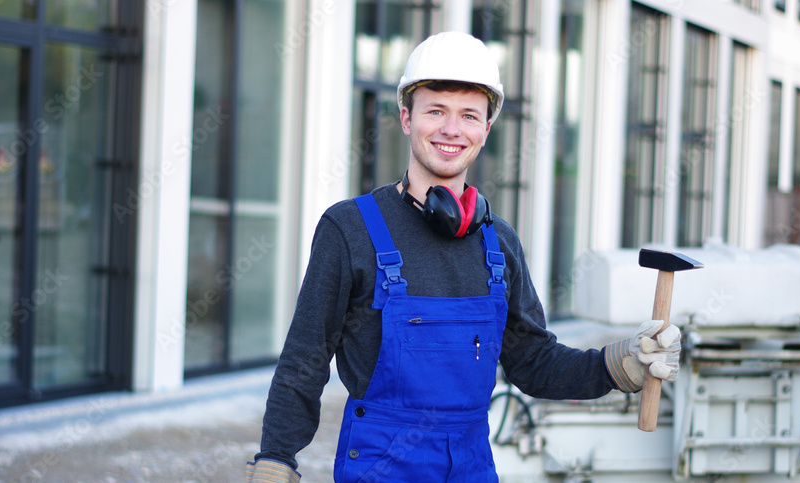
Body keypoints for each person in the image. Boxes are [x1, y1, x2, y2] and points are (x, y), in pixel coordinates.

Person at [246, 31, 681, 483]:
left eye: (469, 115)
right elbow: (305, 360)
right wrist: (276, 460)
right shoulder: (349, 229)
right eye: (436, 110)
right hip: (381, 470)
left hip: (471, 469)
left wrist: (619, 364)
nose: (452, 130)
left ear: (486, 129)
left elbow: (533, 362)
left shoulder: (500, 243)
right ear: (407, 117)